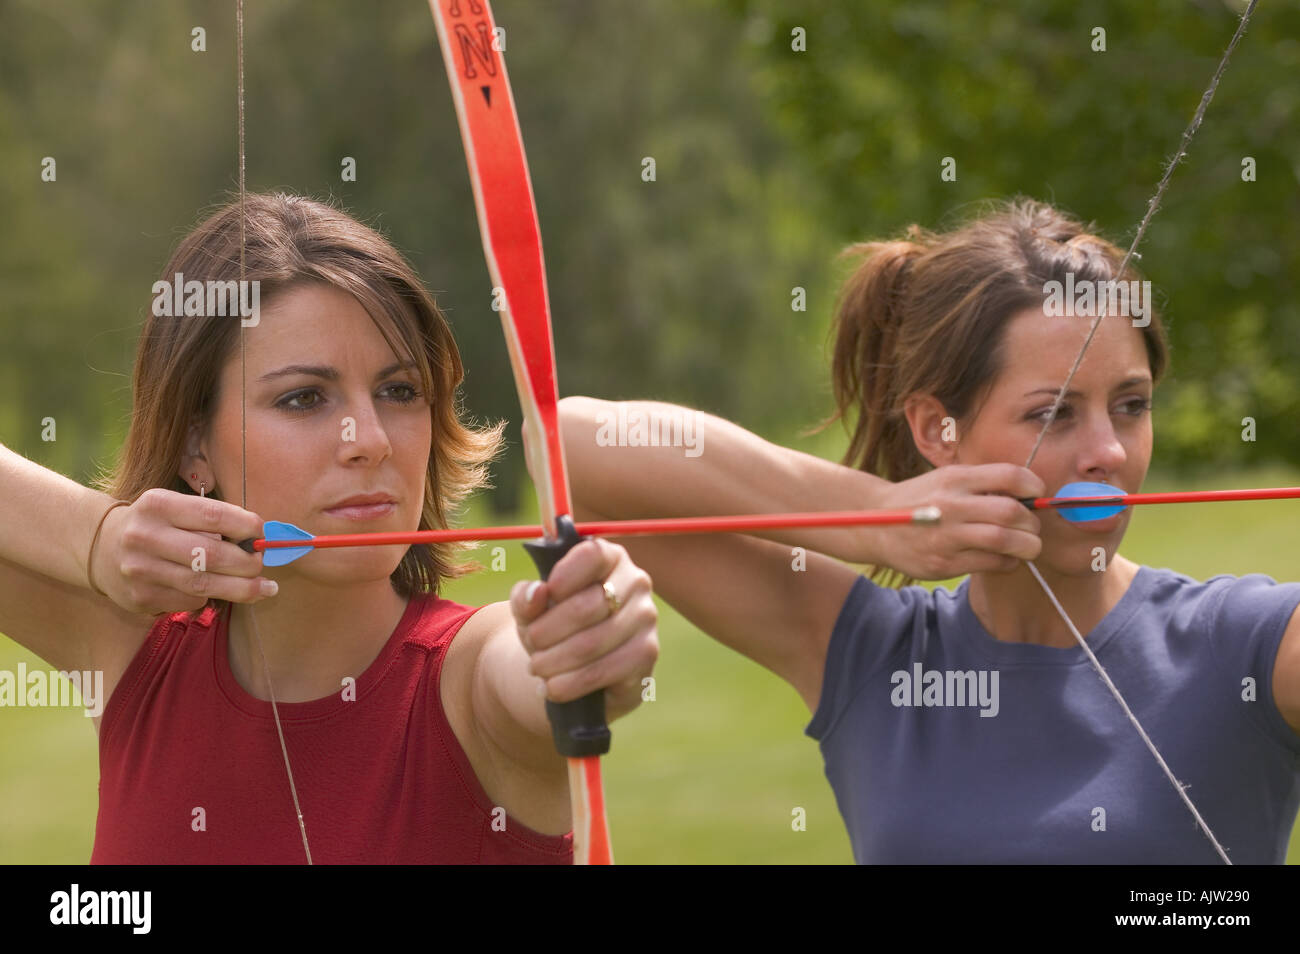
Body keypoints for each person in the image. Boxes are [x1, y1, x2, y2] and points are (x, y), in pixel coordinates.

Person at [556, 197, 1300, 863]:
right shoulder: (869, 654)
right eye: (1054, 413)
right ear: (936, 431)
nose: (1107, 451)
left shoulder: (1245, 644)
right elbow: (568, 444)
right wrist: (874, 518)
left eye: (1131, 406)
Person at [0, 193, 658, 864]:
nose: (369, 440)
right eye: (304, 398)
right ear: (195, 444)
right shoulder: (133, 650)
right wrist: (99, 540)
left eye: (399, 391)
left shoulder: (470, 681)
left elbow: (538, 676)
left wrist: (594, 633)